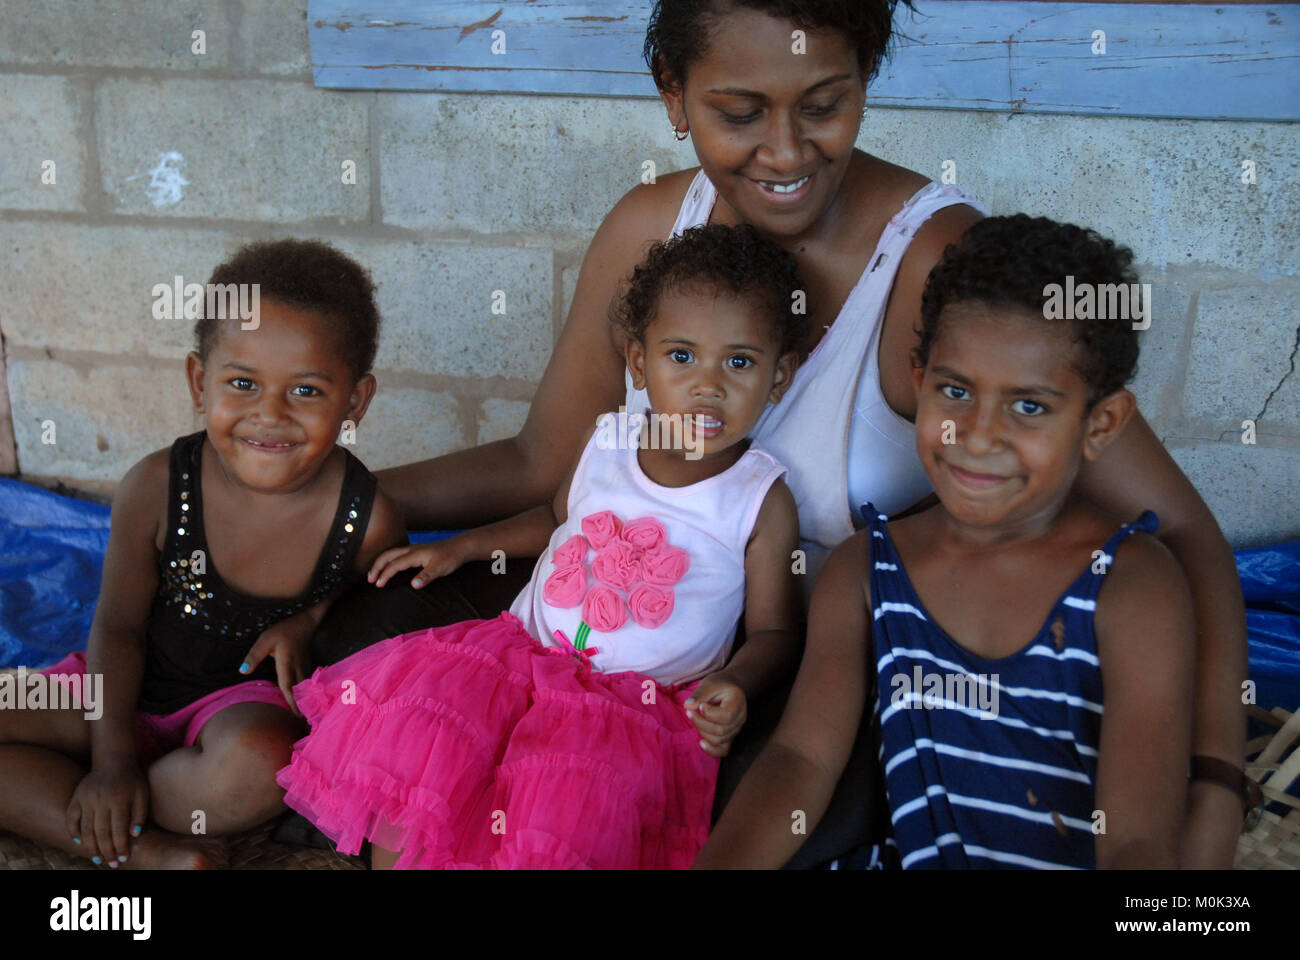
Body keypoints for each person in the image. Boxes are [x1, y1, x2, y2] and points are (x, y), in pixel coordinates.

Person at [319, 0, 1247, 867]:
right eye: (739, 111)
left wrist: (1214, 782)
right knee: (370, 634)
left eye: (825, 104)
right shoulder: (655, 225)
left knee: (804, 801)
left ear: (864, 80)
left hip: (793, 663)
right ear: (674, 99)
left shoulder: (940, 268)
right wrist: (344, 501)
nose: (786, 149)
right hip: (625, 621)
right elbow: (541, 464)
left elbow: (1185, 533)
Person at [275, 224, 803, 869]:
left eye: (741, 362)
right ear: (639, 361)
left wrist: (736, 683)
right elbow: (557, 518)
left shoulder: (757, 497)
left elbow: (775, 630)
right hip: (515, 659)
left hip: (632, 709)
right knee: (426, 764)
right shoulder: (608, 442)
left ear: (781, 377)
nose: (709, 385)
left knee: (555, 822)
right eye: (681, 356)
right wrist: (465, 547)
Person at [696, 215, 1195, 869]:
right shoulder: (866, 571)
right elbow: (801, 758)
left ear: (1101, 424)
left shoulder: (1131, 588)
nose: (979, 435)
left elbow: (1136, 841)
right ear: (918, 377)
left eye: (1030, 407)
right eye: (955, 391)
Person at [0, 240, 404, 868]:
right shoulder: (158, 486)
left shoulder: (365, 517)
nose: (268, 414)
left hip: (235, 715)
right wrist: (110, 761)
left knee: (262, 766)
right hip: (115, 691)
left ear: (355, 401)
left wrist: (309, 618)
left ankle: (103, 806)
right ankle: (148, 852)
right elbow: (117, 626)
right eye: (242, 383)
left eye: (306, 390)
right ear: (198, 381)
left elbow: (378, 610)